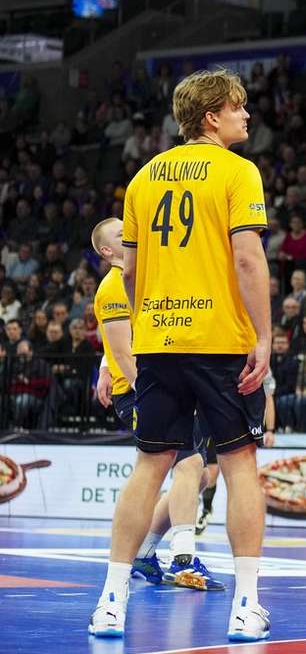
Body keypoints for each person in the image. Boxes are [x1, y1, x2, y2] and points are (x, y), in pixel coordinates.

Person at [89, 70, 271, 642]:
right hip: (220, 343)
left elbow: (132, 273)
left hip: (159, 341)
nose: (247, 116)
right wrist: (263, 338)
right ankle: (246, 608)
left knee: (149, 467)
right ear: (212, 116)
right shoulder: (239, 172)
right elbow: (247, 260)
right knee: (240, 468)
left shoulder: (142, 178)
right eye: (239, 108)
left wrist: (150, 325)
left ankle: (110, 604)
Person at [90, 217, 223, 592]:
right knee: (191, 465)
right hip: (141, 390)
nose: (129, 235)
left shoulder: (144, 276)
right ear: (107, 250)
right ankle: (184, 556)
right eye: (120, 235)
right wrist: (151, 395)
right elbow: (121, 349)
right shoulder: (113, 285)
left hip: (163, 385)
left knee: (195, 474)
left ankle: (146, 554)